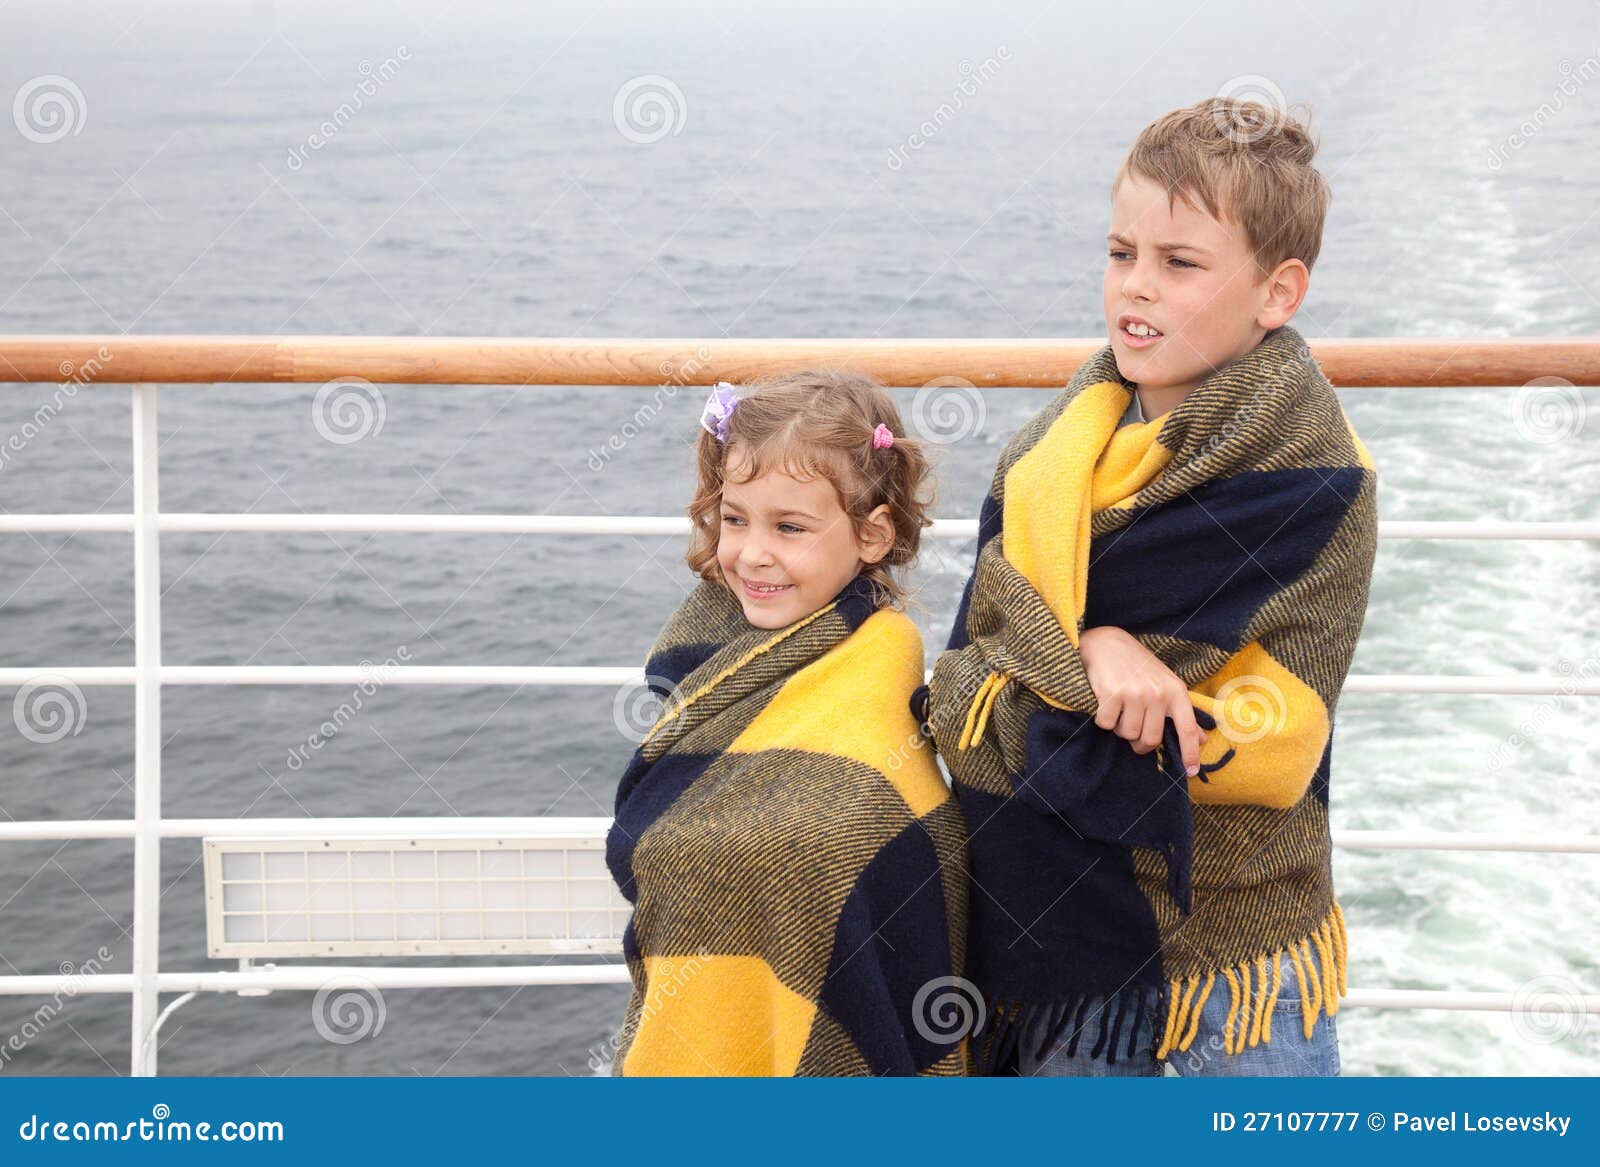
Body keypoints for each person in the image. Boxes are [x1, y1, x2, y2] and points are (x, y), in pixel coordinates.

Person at [918, 96, 1378, 1077]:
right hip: (1046, 953)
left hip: (1233, 963)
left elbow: (1255, 745)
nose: (1135, 288)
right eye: (1120, 252)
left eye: (1179, 264)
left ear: (1276, 292)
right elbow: (957, 686)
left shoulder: (1310, 482)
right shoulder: (1045, 460)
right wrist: (1092, 650)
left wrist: (1058, 666)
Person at [606, 369, 970, 1076]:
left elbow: (867, 846)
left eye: (790, 526)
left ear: (871, 535)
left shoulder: (874, 682)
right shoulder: (703, 658)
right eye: (735, 518)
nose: (751, 554)